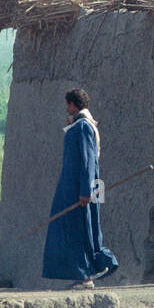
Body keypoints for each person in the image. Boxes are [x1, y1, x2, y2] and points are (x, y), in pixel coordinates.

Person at [42, 88, 119, 290]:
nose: (66, 108)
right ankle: (84, 273)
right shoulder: (79, 125)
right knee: (77, 229)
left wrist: (85, 191)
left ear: (74, 105)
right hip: (76, 188)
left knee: (80, 230)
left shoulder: (83, 127)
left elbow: (88, 161)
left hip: (81, 189)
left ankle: (87, 275)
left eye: (68, 104)